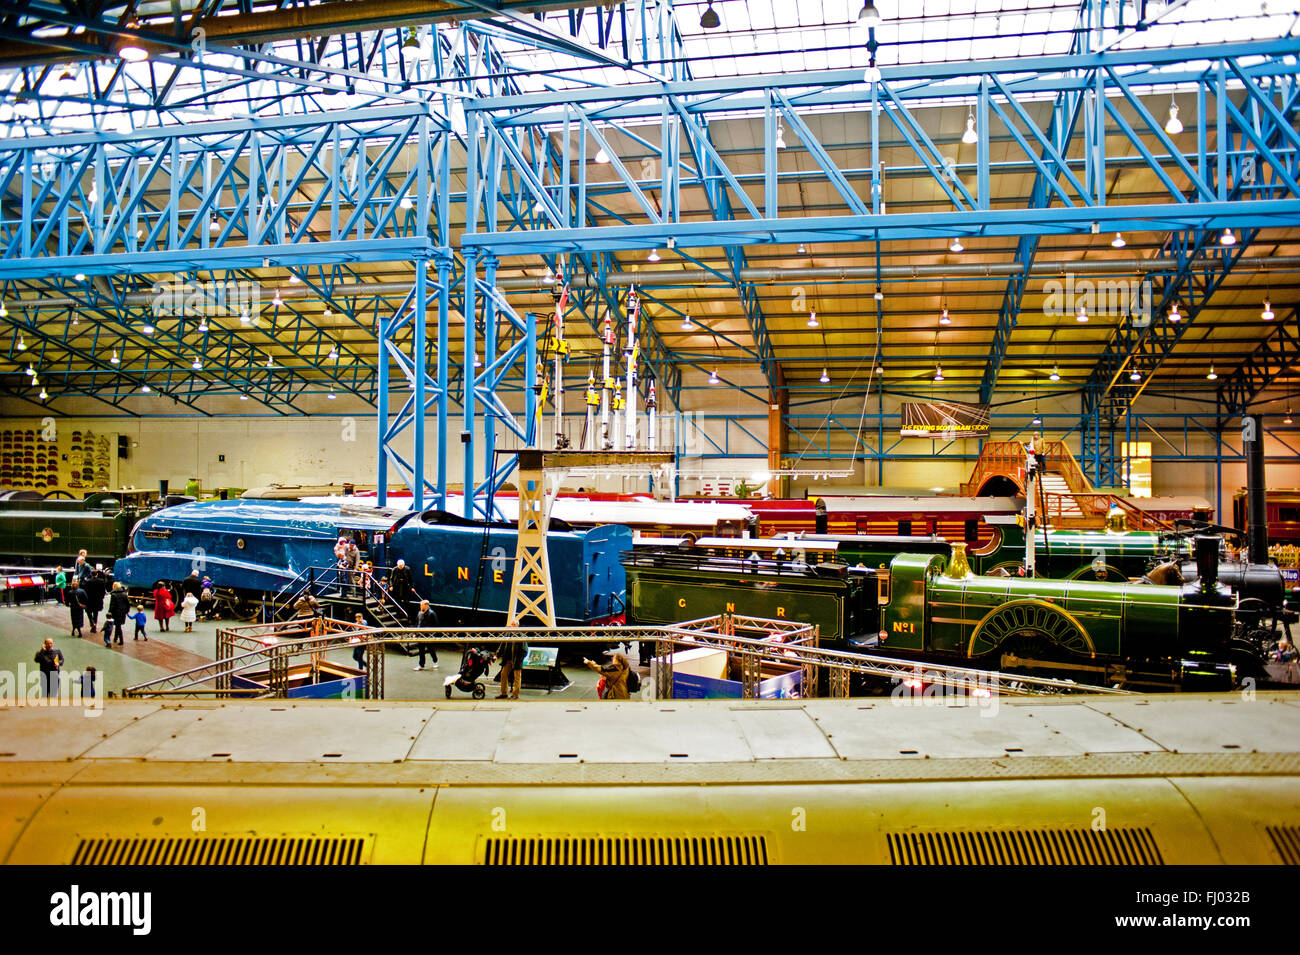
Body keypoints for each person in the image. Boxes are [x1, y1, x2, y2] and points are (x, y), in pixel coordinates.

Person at [494, 634, 527, 700]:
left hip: (516, 660)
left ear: (517, 626)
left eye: (514, 625)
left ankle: (515, 694)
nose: (512, 626)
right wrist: (497, 655)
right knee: (503, 674)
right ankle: (504, 693)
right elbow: (502, 647)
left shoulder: (521, 636)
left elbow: (524, 650)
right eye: (512, 624)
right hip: (507, 659)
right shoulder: (507, 635)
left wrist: (519, 659)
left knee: (517, 677)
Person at [413, 600, 438, 671]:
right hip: (420, 634)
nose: (421, 607)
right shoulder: (419, 613)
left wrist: (432, 634)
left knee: (431, 649)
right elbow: (417, 624)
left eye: (422, 605)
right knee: (421, 650)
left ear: (426, 605)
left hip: (428, 635)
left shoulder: (432, 614)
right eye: (420, 605)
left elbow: (435, 625)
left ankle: (435, 661)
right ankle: (421, 665)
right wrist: (415, 633)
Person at [82, 567, 107, 633]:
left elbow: (85, 591)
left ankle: (91, 621)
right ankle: (94, 625)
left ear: (91, 574)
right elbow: (103, 591)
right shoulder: (101, 581)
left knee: (88, 611)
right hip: (98, 599)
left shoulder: (88, 582)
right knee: (96, 613)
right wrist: (102, 597)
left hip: (89, 599)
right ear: (97, 574)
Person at [107, 582, 129, 646]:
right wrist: (126, 611)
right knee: (118, 625)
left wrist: (109, 612)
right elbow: (127, 604)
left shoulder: (114, 595)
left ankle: (121, 640)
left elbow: (112, 605)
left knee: (118, 626)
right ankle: (116, 638)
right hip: (122, 612)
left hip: (116, 612)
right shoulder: (124, 594)